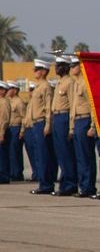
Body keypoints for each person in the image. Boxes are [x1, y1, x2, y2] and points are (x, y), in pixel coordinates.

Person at [68, 57, 98, 197]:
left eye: (73, 65)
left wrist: (92, 125)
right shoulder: (76, 83)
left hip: (86, 119)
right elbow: (74, 106)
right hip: (78, 120)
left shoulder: (86, 82)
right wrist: (72, 127)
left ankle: (88, 187)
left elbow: (93, 105)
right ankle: (83, 185)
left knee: (86, 156)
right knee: (80, 157)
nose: (71, 68)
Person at [50, 56, 79, 196]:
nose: (56, 68)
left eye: (59, 65)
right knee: (60, 153)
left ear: (66, 67)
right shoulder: (59, 82)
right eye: (56, 65)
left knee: (67, 153)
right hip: (57, 117)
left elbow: (73, 104)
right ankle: (64, 183)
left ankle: (70, 184)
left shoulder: (70, 82)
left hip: (64, 117)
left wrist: (71, 126)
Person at [27, 60, 56, 195]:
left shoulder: (46, 87)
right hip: (35, 123)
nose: (35, 72)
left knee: (44, 155)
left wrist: (48, 125)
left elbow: (49, 107)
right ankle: (43, 182)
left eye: (38, 69)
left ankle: (46, 184)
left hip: (42, 122)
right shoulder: (38, 87)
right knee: (39, 155)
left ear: (44, 71)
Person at [7, 82, 26, 182]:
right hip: (9, 128)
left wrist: (22, 131)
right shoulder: (9, 101)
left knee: (15, 152)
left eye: (10, 88)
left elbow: (24, 117)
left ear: (15, 90)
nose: (8, 90)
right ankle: (12, 172)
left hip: (16, 128)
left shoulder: (19, 102)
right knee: (10, 152)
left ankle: (17, 173)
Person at [0, 82, 10, 184]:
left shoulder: (4, 102)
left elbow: (4, 119)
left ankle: (3, 176)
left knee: (2, 155)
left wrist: (2, 133)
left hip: (2, 131)